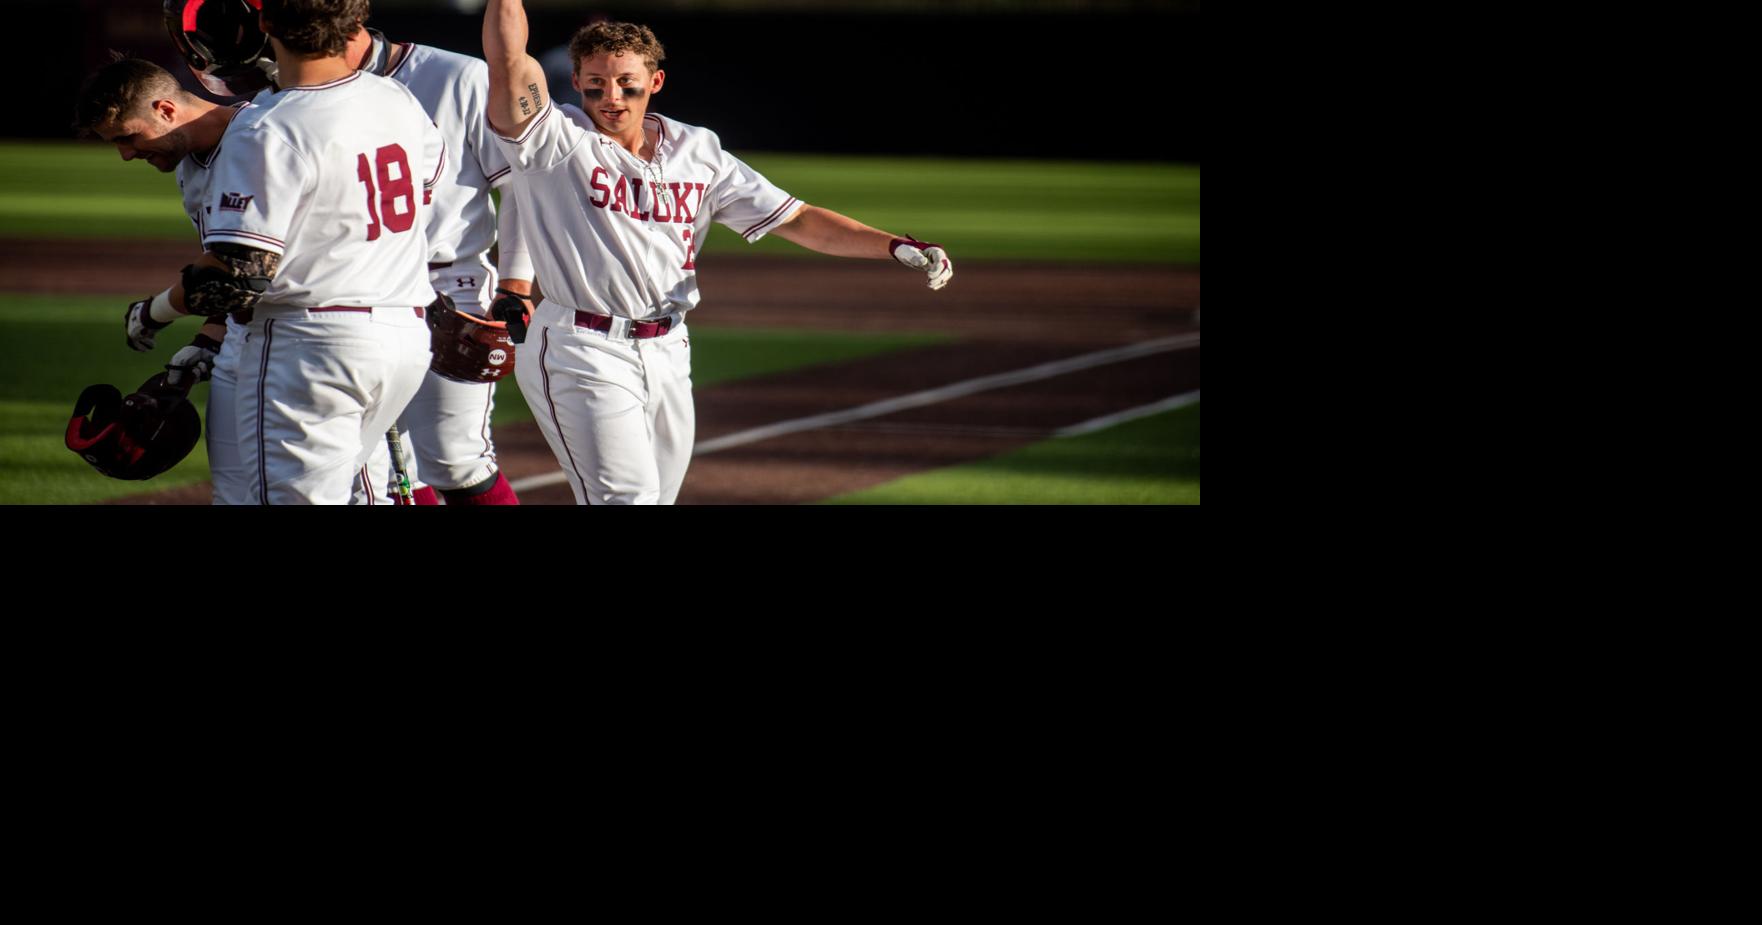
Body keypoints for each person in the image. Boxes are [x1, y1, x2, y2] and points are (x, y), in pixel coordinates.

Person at [482, 2, 953, 504]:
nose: (611, 95)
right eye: (595, 82)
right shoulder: (555, 141)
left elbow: (797, 218)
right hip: (582, 346)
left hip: (667, 348)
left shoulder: (697, 150)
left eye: (626, 81)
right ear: (574, 82)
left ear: (656, 82)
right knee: (626, 499)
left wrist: (894, 244)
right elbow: (510, 60)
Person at [164, 0, 528, 505]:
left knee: (453, 459)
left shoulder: (453, 76)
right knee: (384, 477)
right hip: (374, 297)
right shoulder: (317, 95)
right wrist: (215, 333)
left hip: (443, 284)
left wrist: (515, 285)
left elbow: (524, 188)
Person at [187, 0, 442, 504]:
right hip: (404, 336)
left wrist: (159, 309)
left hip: (309, 344)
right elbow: (427, 189)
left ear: (263, 25)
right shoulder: (396, 98)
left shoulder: (265, 124)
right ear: (352, 24)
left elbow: (242, 272)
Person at [72, 54, 258, 504]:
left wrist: (152, 312)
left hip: (318, 333)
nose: (125, 154)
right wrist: (208, 340)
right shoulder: (189, 168)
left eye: (128, 137)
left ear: (166, 110)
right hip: (252, 336)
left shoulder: (261, 139)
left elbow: (241, 266)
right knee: (237, 494)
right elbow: (234, 283)